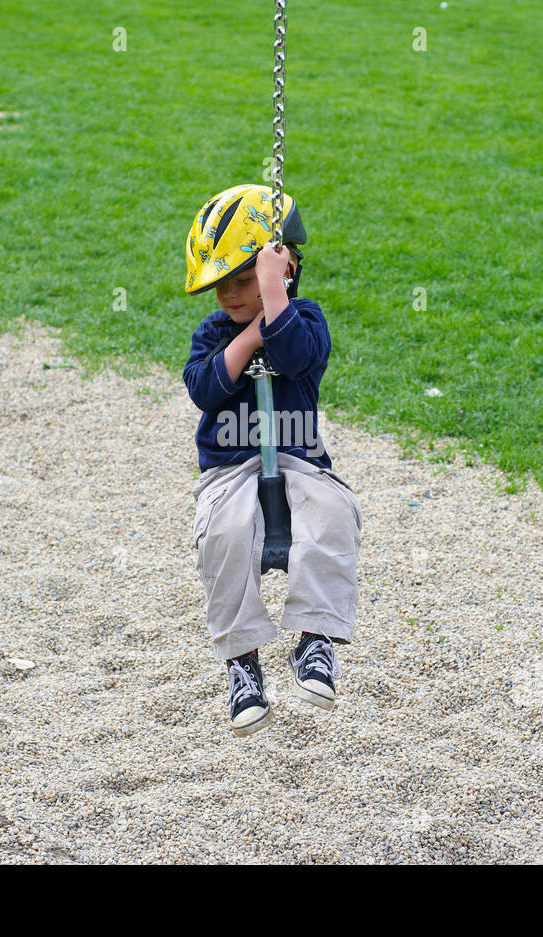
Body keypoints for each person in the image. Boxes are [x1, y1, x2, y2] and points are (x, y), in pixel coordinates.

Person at [182, 184, 362, 737]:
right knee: (225, 534)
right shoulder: (215, 333)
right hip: (230, 471)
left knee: (335, 516)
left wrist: (275, 301)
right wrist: (249, 335)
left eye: (244, 281)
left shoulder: (305, 321)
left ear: (283, 273)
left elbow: (294, 355)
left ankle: (316, 642)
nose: (230, 296)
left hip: (301, 460)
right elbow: (203, 388)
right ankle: (243, 663)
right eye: (222, 286)